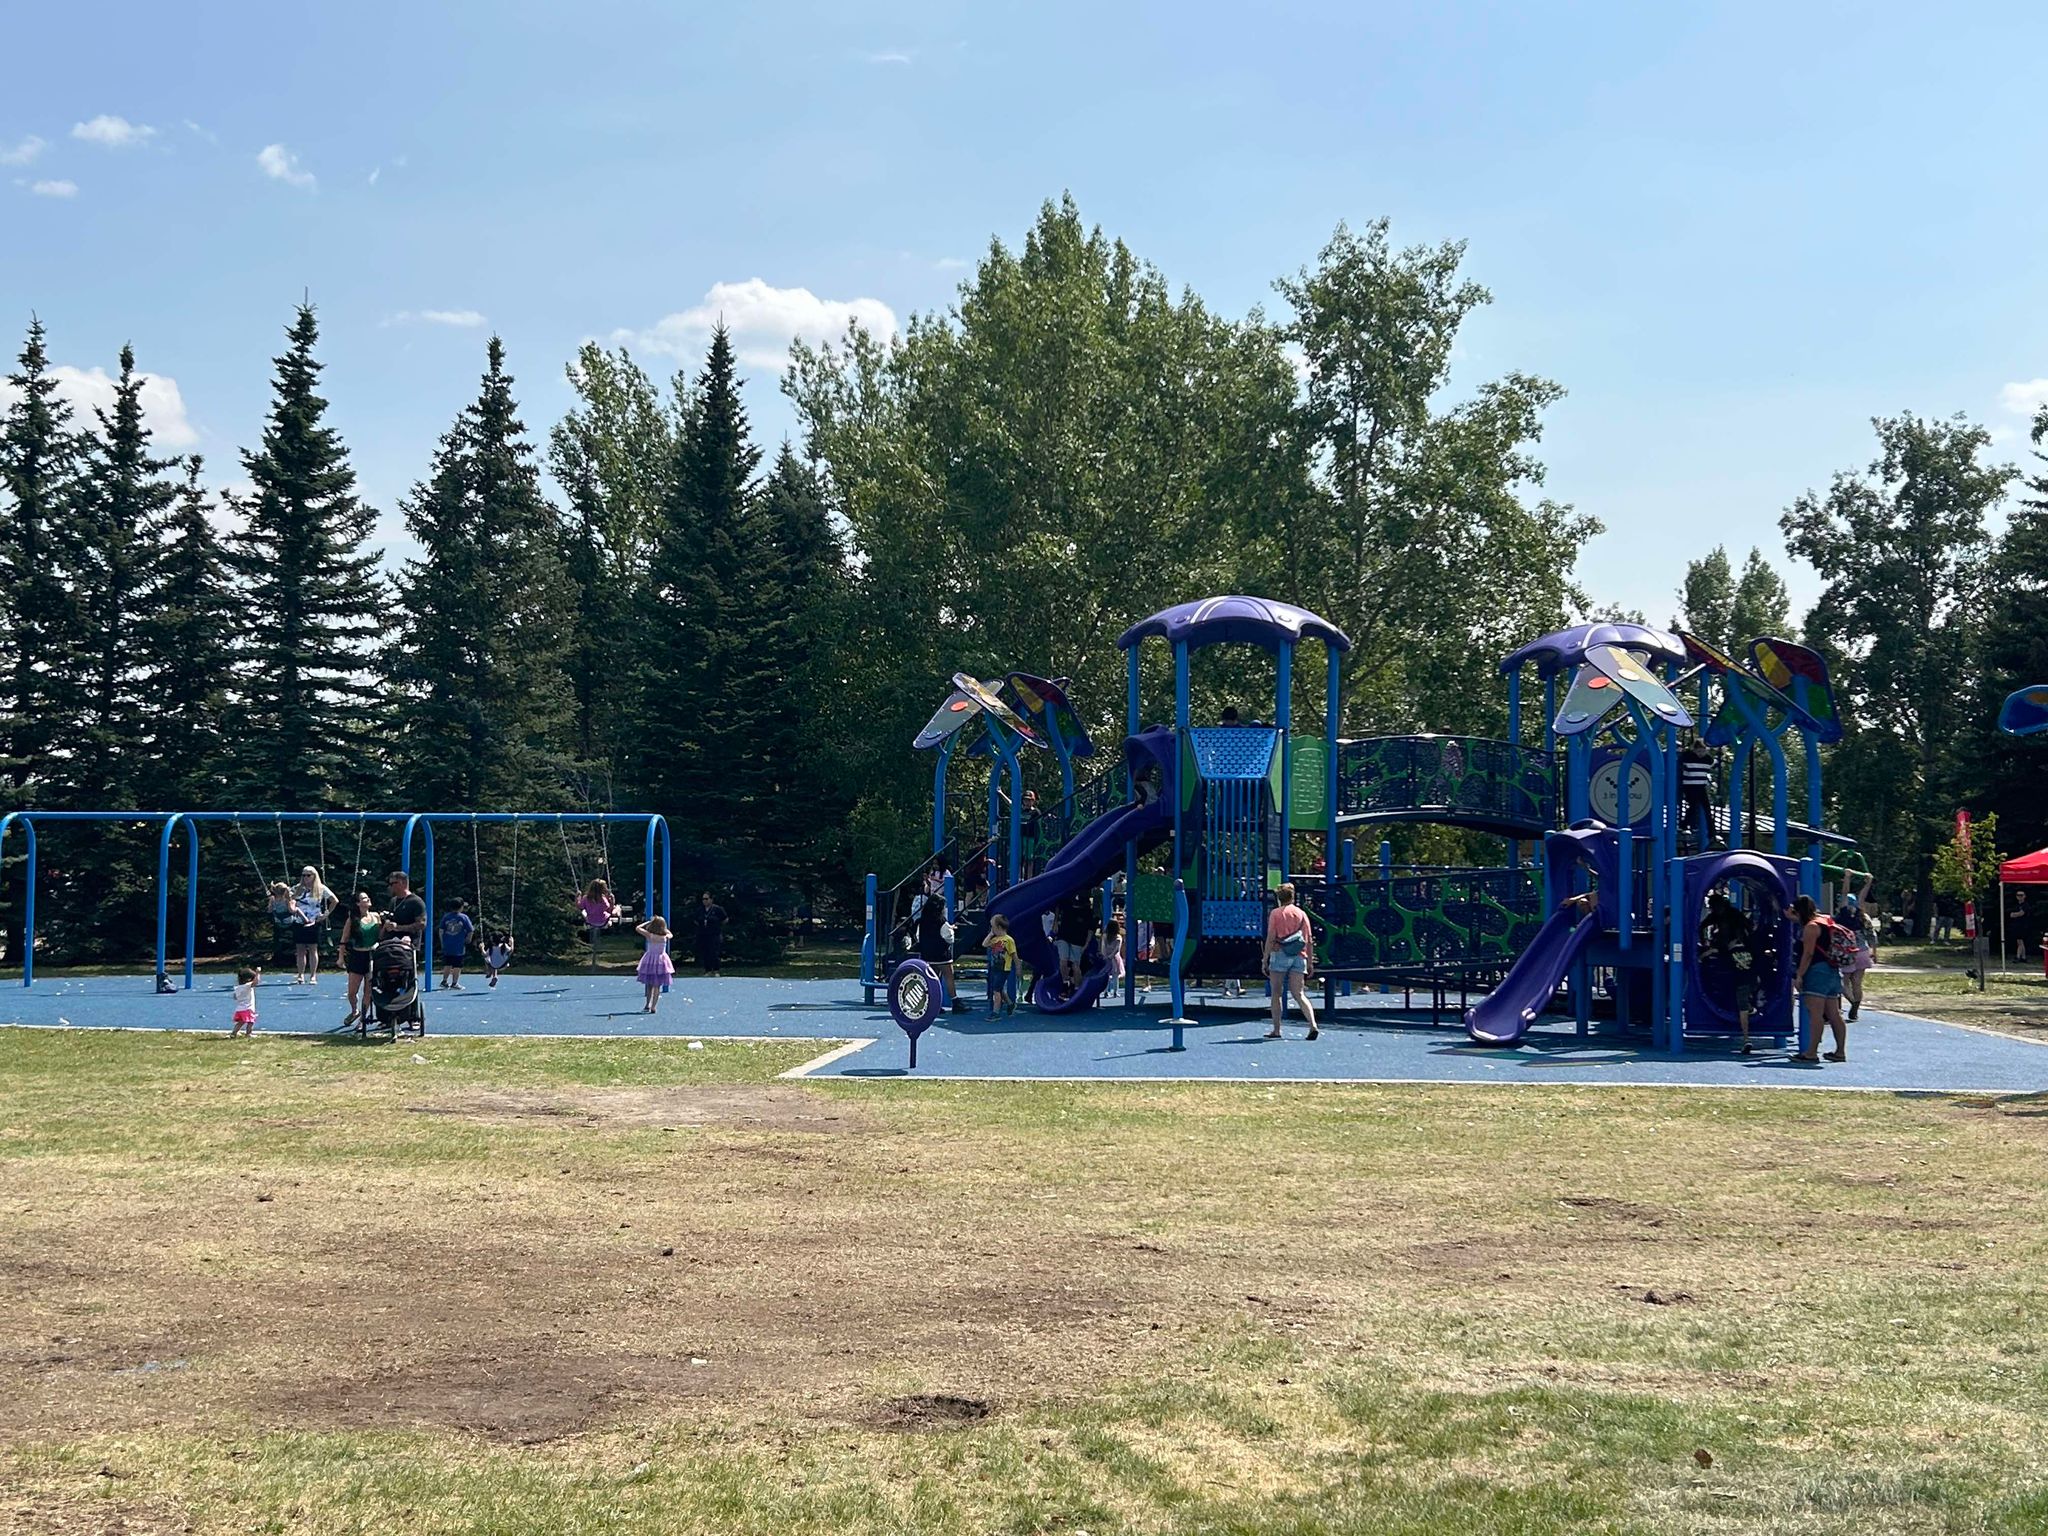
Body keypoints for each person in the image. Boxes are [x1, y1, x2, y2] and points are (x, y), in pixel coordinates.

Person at [1791, 894, 1848, 1064]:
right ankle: (1840, 1051)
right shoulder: (1825, 921)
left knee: (1815, 1013)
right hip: (1832, 969)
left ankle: (1811, 1052)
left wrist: (1799, 975)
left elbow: (1808, 954)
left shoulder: (1810, 927)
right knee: (1834, 1014)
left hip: (1817, 971)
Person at [1700, 892, 1758, 1053]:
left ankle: (1746, 1034)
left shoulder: (1727, 918)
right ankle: (1748, 1010)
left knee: (1739, 995)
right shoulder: (1731, 915)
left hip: (1732, 957)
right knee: (1744, 990)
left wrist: (1710, 948)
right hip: (1744, 960)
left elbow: (1707, 929)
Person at [1262, 883, 1319, 1041]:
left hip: (1279, 952)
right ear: (1292, 897)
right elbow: (1308, 940)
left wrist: (1265, 958)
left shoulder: (1275, 914)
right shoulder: (1301, 914)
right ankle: (1313, 1024)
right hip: (1298, 955)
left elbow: (1271, 937)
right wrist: (1310, 961)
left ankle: (1277, 1029)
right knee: (1299, 994)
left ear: (1279, 898)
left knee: (1276, 994)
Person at [910, 883, 964, 1010]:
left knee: (931, 979)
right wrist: (952, 930)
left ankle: (932, 1003)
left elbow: (918, 936)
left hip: (927, 954)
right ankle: (955, 1002)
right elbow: (949, 938)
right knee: (948, 976)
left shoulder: (922, 920)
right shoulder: (941, 921)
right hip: (941, 954)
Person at [338, 891, 381, 1027]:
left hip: (372, 955)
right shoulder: (352, 919)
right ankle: (354, 1010)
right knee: (352, 992)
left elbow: (381, 935)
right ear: (358, 903)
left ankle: (363, 1019)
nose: (367, 899)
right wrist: (341, 958)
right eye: (363, 898)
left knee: (368, 991)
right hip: (357, 956)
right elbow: (344, 939)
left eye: (367, 897)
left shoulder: (376, 917)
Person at [1834, 886, 1875, 1022]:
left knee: (1844, 982)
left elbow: (1844, 893)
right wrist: (1874, 951)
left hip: (1847, 952)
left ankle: (1852, 1003)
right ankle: (1855, 1008)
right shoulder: (1862, 917)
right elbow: (1871, 935)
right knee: (1857, 983)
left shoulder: (1841, 917)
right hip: (1862, 951)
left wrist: (1846, 878)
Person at [1678, 734, 1717, 851]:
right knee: (1693, 806)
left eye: (1703, 751)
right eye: (1698, 751)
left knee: (1707, 809)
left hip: (1701, 786)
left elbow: (1715, 764)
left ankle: (1712, 833)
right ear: (1694, 750)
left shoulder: (1708, 759)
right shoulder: (1688, 756)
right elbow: (1681, 759)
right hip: (1689, 786)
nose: (1701, 753)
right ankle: (1684, 825)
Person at [384, 871, 428, 966]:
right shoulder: (393, 901)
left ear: (403, 883)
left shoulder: (416, 901)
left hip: (409, 945)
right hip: (392, 944)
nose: (391, 886)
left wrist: (398, 927)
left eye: (393, 883)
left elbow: (421, 924)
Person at [1054, 890, 1093, 990]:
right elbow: (1058, 906)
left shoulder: (1087, 912)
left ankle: (1076, 987)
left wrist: (1086, 944)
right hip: (1064, 936)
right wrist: (1055, 921)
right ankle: (1065, 982)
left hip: (1078, 940)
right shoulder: (1067, 905)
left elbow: (1090, 930)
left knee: (1075, 965)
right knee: (1063, 961)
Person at [635, 916, 674, 1013]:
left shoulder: (650, 935)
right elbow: (670, 934)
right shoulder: (664, 937)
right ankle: (654, 1006)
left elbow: (638, 928)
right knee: (657, 985)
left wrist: (646, 923)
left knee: (649, 984)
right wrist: (663, 928)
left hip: (650, 959)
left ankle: (647, 1004)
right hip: (661, 960)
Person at [577, 879, 618, 967]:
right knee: (616, 909)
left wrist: (578, 897)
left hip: (590, 921)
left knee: (583, 911)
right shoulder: (603, 899)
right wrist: (612, 900)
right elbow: (609, 908)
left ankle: (607, 920)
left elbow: (579, 906)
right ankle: (613, 918)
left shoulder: (585, 898)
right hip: (603, 921)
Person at [437, 898, 476, 990]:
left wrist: (442, 942)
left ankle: (444, 981)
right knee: (457, 965)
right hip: (459, 946)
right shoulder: (463, 917)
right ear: (461, 907)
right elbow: (471, 930)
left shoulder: (446, 917)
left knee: (447, 963)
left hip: (447, 944)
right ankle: (454, 983)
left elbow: (441, 930)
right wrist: (468, 939)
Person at [984, 913, 1018, 1016]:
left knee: (996, 990)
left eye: (992, 927)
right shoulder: (994, 940)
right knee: (998, 988)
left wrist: (1018, 967)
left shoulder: (1008, 940)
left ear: (998, 927)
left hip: (1003, 968)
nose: (991, 929)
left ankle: (996, 1012)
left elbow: (1014, 955)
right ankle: (1010, 1004)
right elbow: (984, 944)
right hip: (995, 967)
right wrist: (990, 934)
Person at [694, 891, 727, 975]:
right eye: (703, 899)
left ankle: (716, 970)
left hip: (714, 934)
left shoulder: (717, 909)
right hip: (703, 934)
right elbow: (696, 920)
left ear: (711, 899)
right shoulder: (700, 910)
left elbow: (725, 919)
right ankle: (707, 970)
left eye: (706, 899)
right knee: (705, 952)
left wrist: (717, 926)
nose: (704, 901)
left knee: (714, 952)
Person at [230, 966, 261, 1038]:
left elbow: (235, 997)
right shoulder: (248, 986)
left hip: (240, 1008)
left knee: (240, 1022)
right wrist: (258, 973)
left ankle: (234, 1033)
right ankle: (248, 1033)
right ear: (249, 979)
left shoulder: (237, 987)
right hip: (248, 1008)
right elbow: (256, 982)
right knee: (251, 1021)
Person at [1102, 915, 1126, 995]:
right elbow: (1117, 949)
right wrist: (1111, 956)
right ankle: (1115, 991)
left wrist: (1105, 956)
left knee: (1106, 975)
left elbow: (1103, 947)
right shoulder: (1118, 937)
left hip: (1106, 957)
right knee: (1115, 975)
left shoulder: (1105, 936)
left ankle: (1105, 991)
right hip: (1115, 958)